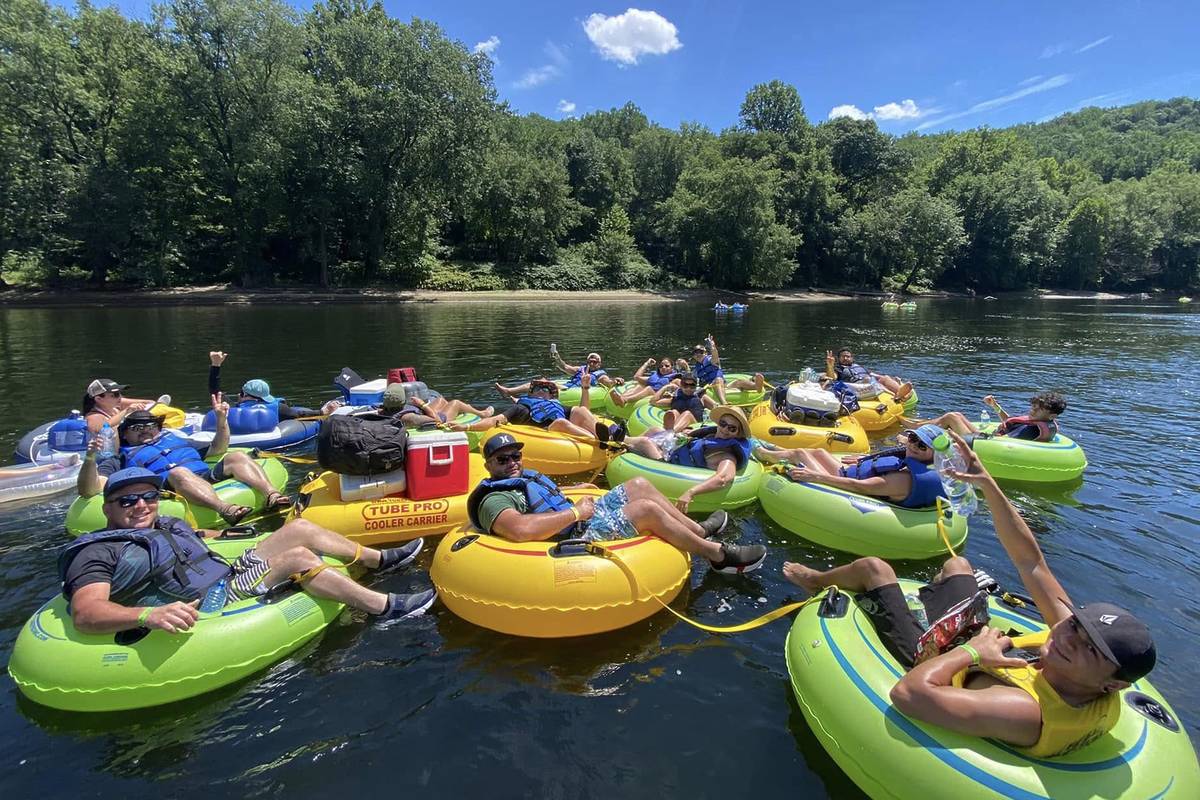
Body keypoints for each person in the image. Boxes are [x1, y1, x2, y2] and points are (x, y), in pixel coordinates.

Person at [782, 430, 1156, 757]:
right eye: (1077, 626)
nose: (1069, 637)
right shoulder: (1072, 652)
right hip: (974, 639)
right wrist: (987, 483)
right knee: (957, 565)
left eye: (1091, 648)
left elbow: (908, 695)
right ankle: (922, 603)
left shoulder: (1023, 710)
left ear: (1115, 685)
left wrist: (975, 651)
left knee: (874, 568)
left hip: (936, 657)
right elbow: (1032, 564)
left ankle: (814, 580)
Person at [60, 467, 436, 632]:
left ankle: (378, 560)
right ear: (106, 509)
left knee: (300, 527)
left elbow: (192, 541)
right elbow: (86, 612)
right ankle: (386, 608)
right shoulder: (97, 552)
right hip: (207, 601)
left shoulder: (162, 523)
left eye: (147, 497)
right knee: (298, 558)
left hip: (226, 572)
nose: (141, 505)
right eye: (127, 502)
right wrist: (147, 616)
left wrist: (221, 536)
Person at [468, 434, 767, 573]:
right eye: (502, 459)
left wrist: (573, 489)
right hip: (572, 536)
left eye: (515, 456)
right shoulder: (494, 498)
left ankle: (697, 530)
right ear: (488, 464)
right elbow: (519, 529)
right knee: (644, 511)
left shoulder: (520, 477)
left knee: (638, 484)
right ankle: (717, 556)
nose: (512, 463)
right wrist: (575, 511)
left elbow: (539, 496)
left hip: (578, 518)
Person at [78, 394, 291, 524]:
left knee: (236, 456)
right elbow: (90, 490)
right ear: (125, 434)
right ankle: (225, 509)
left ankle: (272, 494)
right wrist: (89, 458)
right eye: (138, 428)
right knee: (179, 472)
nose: (147, 431)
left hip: (203, 476)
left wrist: (221, 420)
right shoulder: (121, 457)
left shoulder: (175, 439)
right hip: (172, 486)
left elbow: (218, 448)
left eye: (151, 426)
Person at [757, 424, 947, 509]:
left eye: (922, 445)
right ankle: (777, 449)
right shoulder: (913, 462)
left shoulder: (902, 480)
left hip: (850, 482)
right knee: (821, 452)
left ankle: (763, 453)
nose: (913, 445)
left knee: (800, 454)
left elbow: (859, 488)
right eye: (913, 439)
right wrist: (865, 460)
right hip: (852, 473)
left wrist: (814, 476)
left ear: (933, 455)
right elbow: (889, 461)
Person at [622, 405, 754, 512]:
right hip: (674, 452)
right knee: (655, 430)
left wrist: (691, 492)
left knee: (646, 443)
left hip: (667, 464)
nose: (725, 429)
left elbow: (723, 479)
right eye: (723, 423)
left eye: (732, 428)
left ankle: (620, 440)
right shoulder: (714, 436)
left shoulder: (726, 453)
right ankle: (623, 440)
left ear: (738, 433)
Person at [454, 375, 605, 441]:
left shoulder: (556, 405)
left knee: (580, 411)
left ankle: (606, 436)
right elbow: (496, 420)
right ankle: (599, 441)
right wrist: (467, 427)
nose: (541, 390)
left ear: (551, 395)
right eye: (538, 388)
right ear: (531, 393)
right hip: (546, 432)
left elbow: (585, 411)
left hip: (568, 428)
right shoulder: (522, 407)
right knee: (561, 423)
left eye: (546, 389)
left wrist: (585, 388)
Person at [907, 392, 1066, 443]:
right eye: (1034, 406)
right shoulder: (1045, 423)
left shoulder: (1030, 429)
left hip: (985, 445)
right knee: (957, 415)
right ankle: (918, 425)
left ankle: (917, 428)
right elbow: (1010, 423)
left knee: (952, 417)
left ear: (1051, 414)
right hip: (989, 439)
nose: (1033, 410)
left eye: (1039, 409)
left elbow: (1005, 444)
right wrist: (995, 406)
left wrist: (953, 438)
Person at [207, 351, 316, 422]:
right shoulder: (279, 409)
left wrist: (216, 365)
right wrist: (323, 412)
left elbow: (215, 391)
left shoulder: (233, 409)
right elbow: (300, 414)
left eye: (241, 393)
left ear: (245, 395)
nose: (238, 395)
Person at [495, 349, 620, 399]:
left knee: (544, 382)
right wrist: (557, 357)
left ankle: (510, 393)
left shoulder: (600, 374)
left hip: (577, 390)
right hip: (568, 387)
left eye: (595, 361)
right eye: (590, 361)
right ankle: (515, 395)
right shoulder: (580, 369)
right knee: (542, 381)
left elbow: (607, 381)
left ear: (599, 363)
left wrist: (615, 381)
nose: (592, 363)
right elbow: (564, 366)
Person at [690, 335, 764, 405]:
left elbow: (715, 356)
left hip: (722, 385)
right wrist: (685, 366)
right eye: (695, 353)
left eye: (700, 352)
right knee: (717, 381)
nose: (698, 355)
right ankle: (724, 403)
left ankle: (756, 386)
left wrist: (713, 347)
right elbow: (689, 378)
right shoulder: (696, 369)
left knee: (738, 382)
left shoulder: (711, 360)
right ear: (693, 356)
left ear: (705, 353)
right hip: (709, 389)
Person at [377, 382, 493, 426]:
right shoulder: (408, 417)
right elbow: (436, 420)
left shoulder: (383, 411)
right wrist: (422, 405)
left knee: (441, 400)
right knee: (455, 403)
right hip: (437, 418)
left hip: (421, 412)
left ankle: (464, 409)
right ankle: (483, 414)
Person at [81, 378, 164, 434]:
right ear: (99, 399)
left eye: (120, 393)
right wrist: (127, 411)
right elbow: (98, 430)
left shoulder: (115, 404)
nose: (120, 397)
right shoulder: (94, 416)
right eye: (115, 394)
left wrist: (154, 404)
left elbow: (148, 402)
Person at [825, 348, 912, 401]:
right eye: (843, 356)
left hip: (869, 383)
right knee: (868, 380)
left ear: (852, 358)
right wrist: (830, 365)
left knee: (885, 377)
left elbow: (875, 375)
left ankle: (901, 393)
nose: (845, 358)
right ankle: (899, 396)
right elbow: (832, 378)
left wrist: (891, 380)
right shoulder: (838, 369)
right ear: (838, 358)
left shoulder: (858, 367)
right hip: (856, 387)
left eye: (848, 356)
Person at [606, 357, 680, 408]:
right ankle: (621, 398)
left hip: (657, 395)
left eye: (667, 366)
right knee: (640, 386)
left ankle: (625, 400)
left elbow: (684, 388)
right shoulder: (656, 377)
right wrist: (647, 363)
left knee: (648, 388)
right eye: (661, 366)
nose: (663, 367)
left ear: (672, 368)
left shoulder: (675, 379)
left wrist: (672, 392)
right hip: (649, 391)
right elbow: (636, 377)